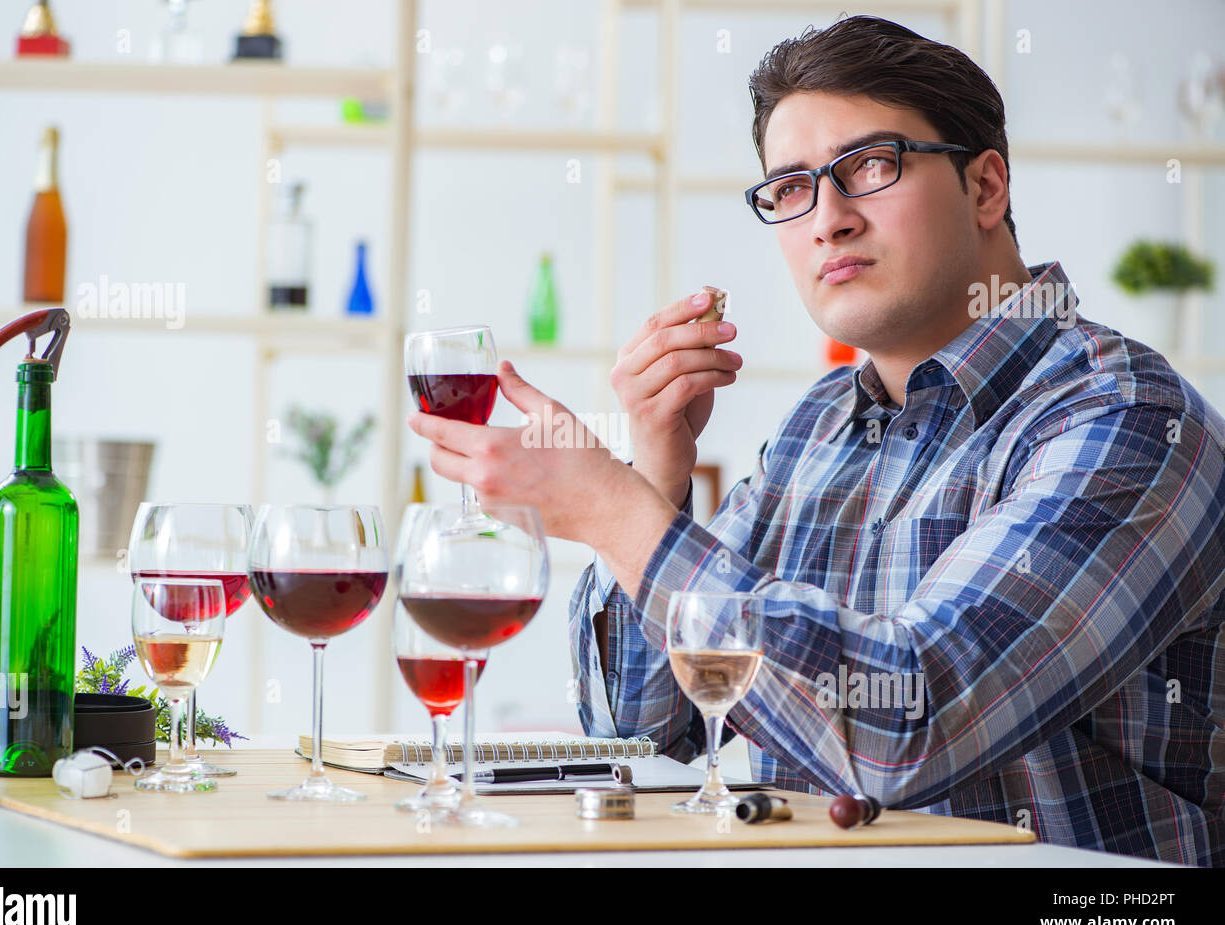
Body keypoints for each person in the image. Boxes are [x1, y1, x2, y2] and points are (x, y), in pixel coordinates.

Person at [406, 15, 1225, 866]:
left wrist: (614, 514)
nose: (827, 220)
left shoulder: (1127, 421)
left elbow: (909, 723)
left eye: (871, 166)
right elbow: (645, 728)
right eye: (791, 188)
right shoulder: (820, 424)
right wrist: (654, 475)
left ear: (985, 188)